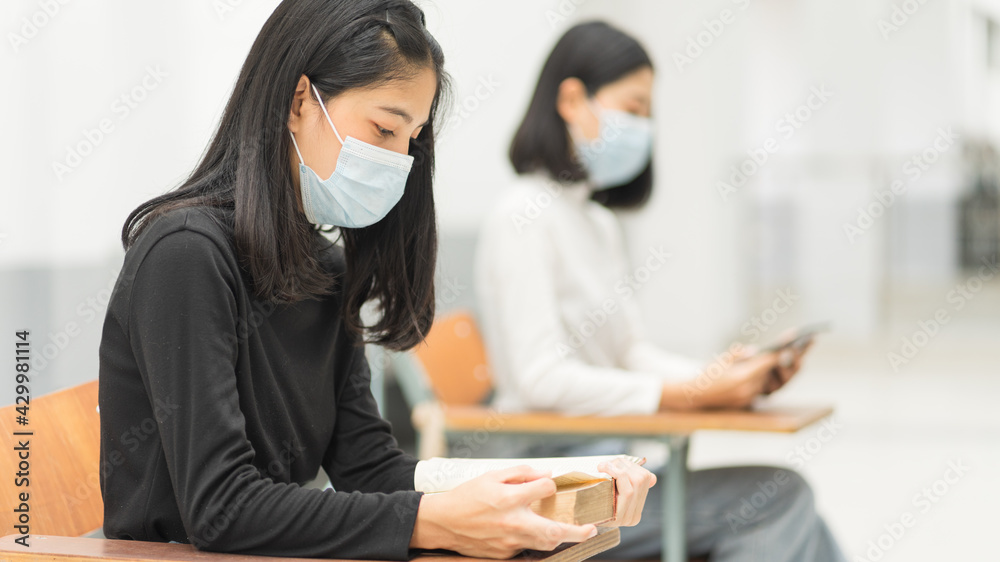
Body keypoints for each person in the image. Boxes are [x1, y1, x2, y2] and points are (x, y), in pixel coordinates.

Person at [97, 2, 655, 559]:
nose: (398, 160)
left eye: (411, 138)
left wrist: (565, 479)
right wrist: (433, 522)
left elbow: (371, 467)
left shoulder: (324, 269)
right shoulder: (184, 254)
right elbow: (223, 508)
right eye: (385, 128)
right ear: (298, 103)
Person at [474, 21, 847, 562]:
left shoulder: (594, 222)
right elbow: (538, 379)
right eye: (633, 107)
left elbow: (630, 352)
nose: (644, 126)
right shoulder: (522, 216)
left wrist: (719, 376)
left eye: (649, 112)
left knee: (805, 520)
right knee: (781, 499)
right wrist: (684, 396)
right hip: (555, 483)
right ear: (572, 99)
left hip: (611, 470)